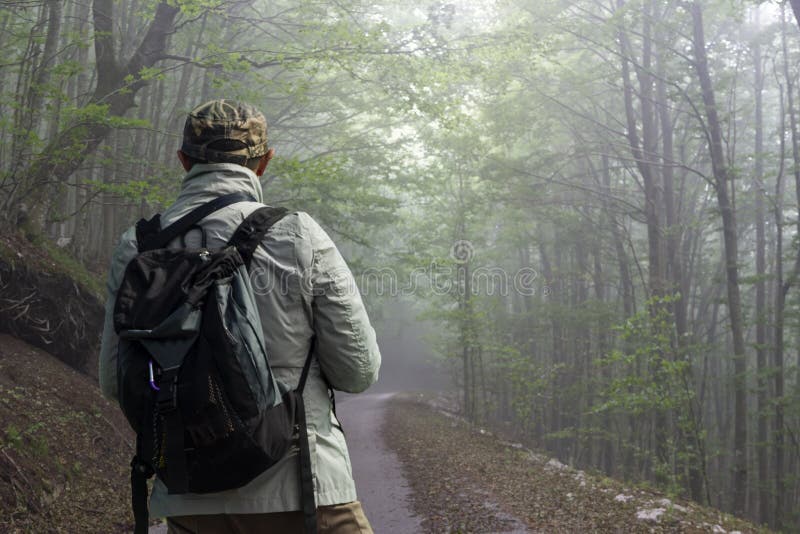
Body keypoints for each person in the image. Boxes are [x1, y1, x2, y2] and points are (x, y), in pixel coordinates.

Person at [98, 99, 381, 533]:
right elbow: (358, 371)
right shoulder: (298, 234)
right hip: (303, 490)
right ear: (263, 162)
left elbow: (115, 380)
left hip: (190, 500)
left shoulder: (138, 246)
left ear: (184, 160)